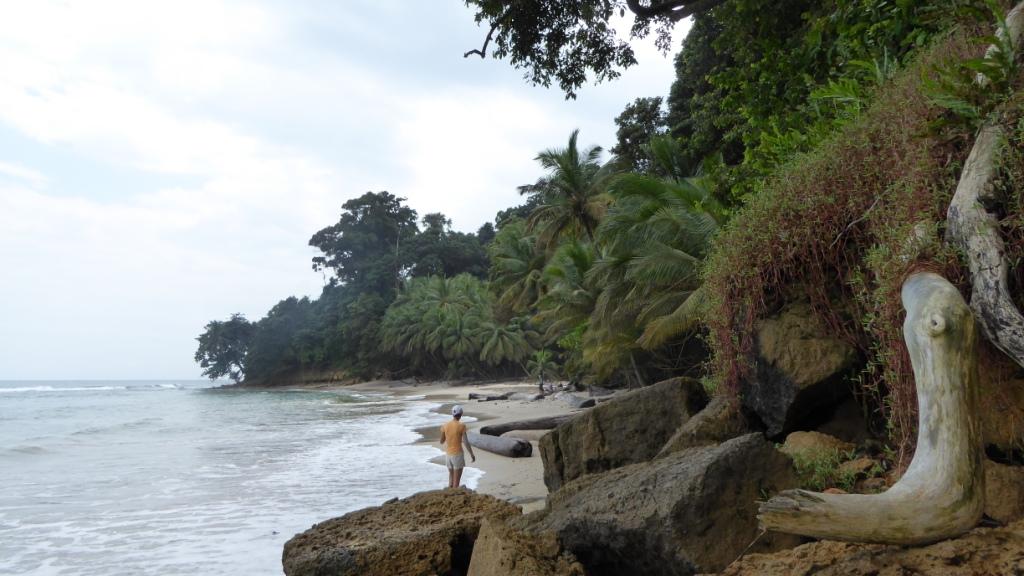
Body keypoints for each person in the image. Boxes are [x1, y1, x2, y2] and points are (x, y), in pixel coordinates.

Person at [439, 404, 476, 488]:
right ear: (461, 414)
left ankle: (448, 496)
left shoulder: (445, 425)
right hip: (457, 455)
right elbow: (466, 442)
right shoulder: (461, 426)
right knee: (456, 483)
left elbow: (441, 441)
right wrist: (472, 454)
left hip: (448, 455)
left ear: (452, 414)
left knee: (451, 480)